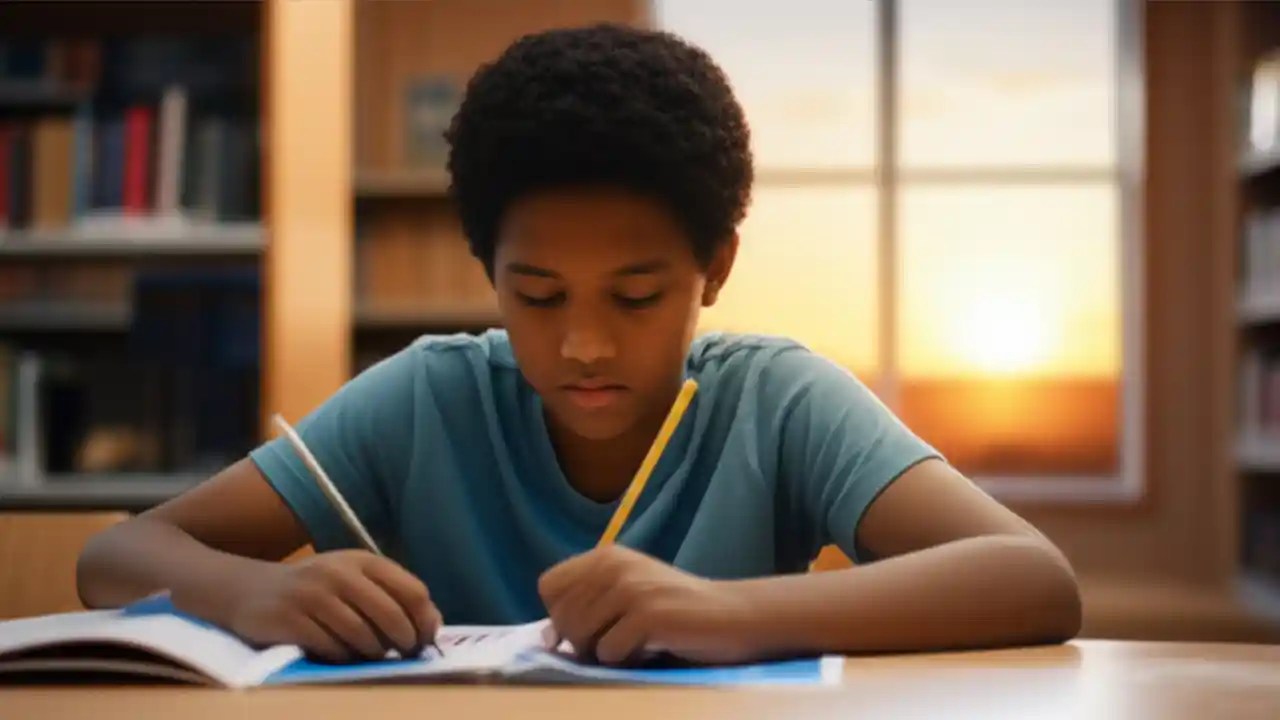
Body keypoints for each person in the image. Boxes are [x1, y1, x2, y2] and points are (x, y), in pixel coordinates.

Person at [77, 23, 1080, 666]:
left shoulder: (774, 401)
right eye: (538, 294)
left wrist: (728, 615)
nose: (585, 343)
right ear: (487, 275)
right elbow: (117, 554)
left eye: (638, 296)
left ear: (714, 270)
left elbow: (1032, 578)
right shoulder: (427, 397)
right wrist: (254, 590)